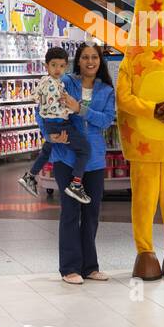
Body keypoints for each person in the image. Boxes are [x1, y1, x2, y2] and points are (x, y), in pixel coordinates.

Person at [36, 44, 116, 285]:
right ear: (77, 61)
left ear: (100, 62)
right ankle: (70, 267)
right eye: (85, 57)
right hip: (66, 157)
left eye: (94, 57)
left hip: (94, 160)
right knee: (70, 212)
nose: (90, 61)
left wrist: (80, 109)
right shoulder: (66, 82)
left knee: (91, 214)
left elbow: (106, 121)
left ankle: (90, 266)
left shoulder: (106, 90)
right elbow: (41, 111)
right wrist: (48, 135)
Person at [17, 47, 92, 205]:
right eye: (54, 65)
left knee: (48, 149)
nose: (58, 69)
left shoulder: (47, 81)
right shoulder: (54, 84)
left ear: (66, 66)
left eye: (61, 66)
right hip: (59, 124)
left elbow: (35, 97)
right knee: (84, 149)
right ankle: (76, 184)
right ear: (46, 66)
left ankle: (30, 176)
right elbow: (55, 107)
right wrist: (73, 107)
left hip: (50, 124)